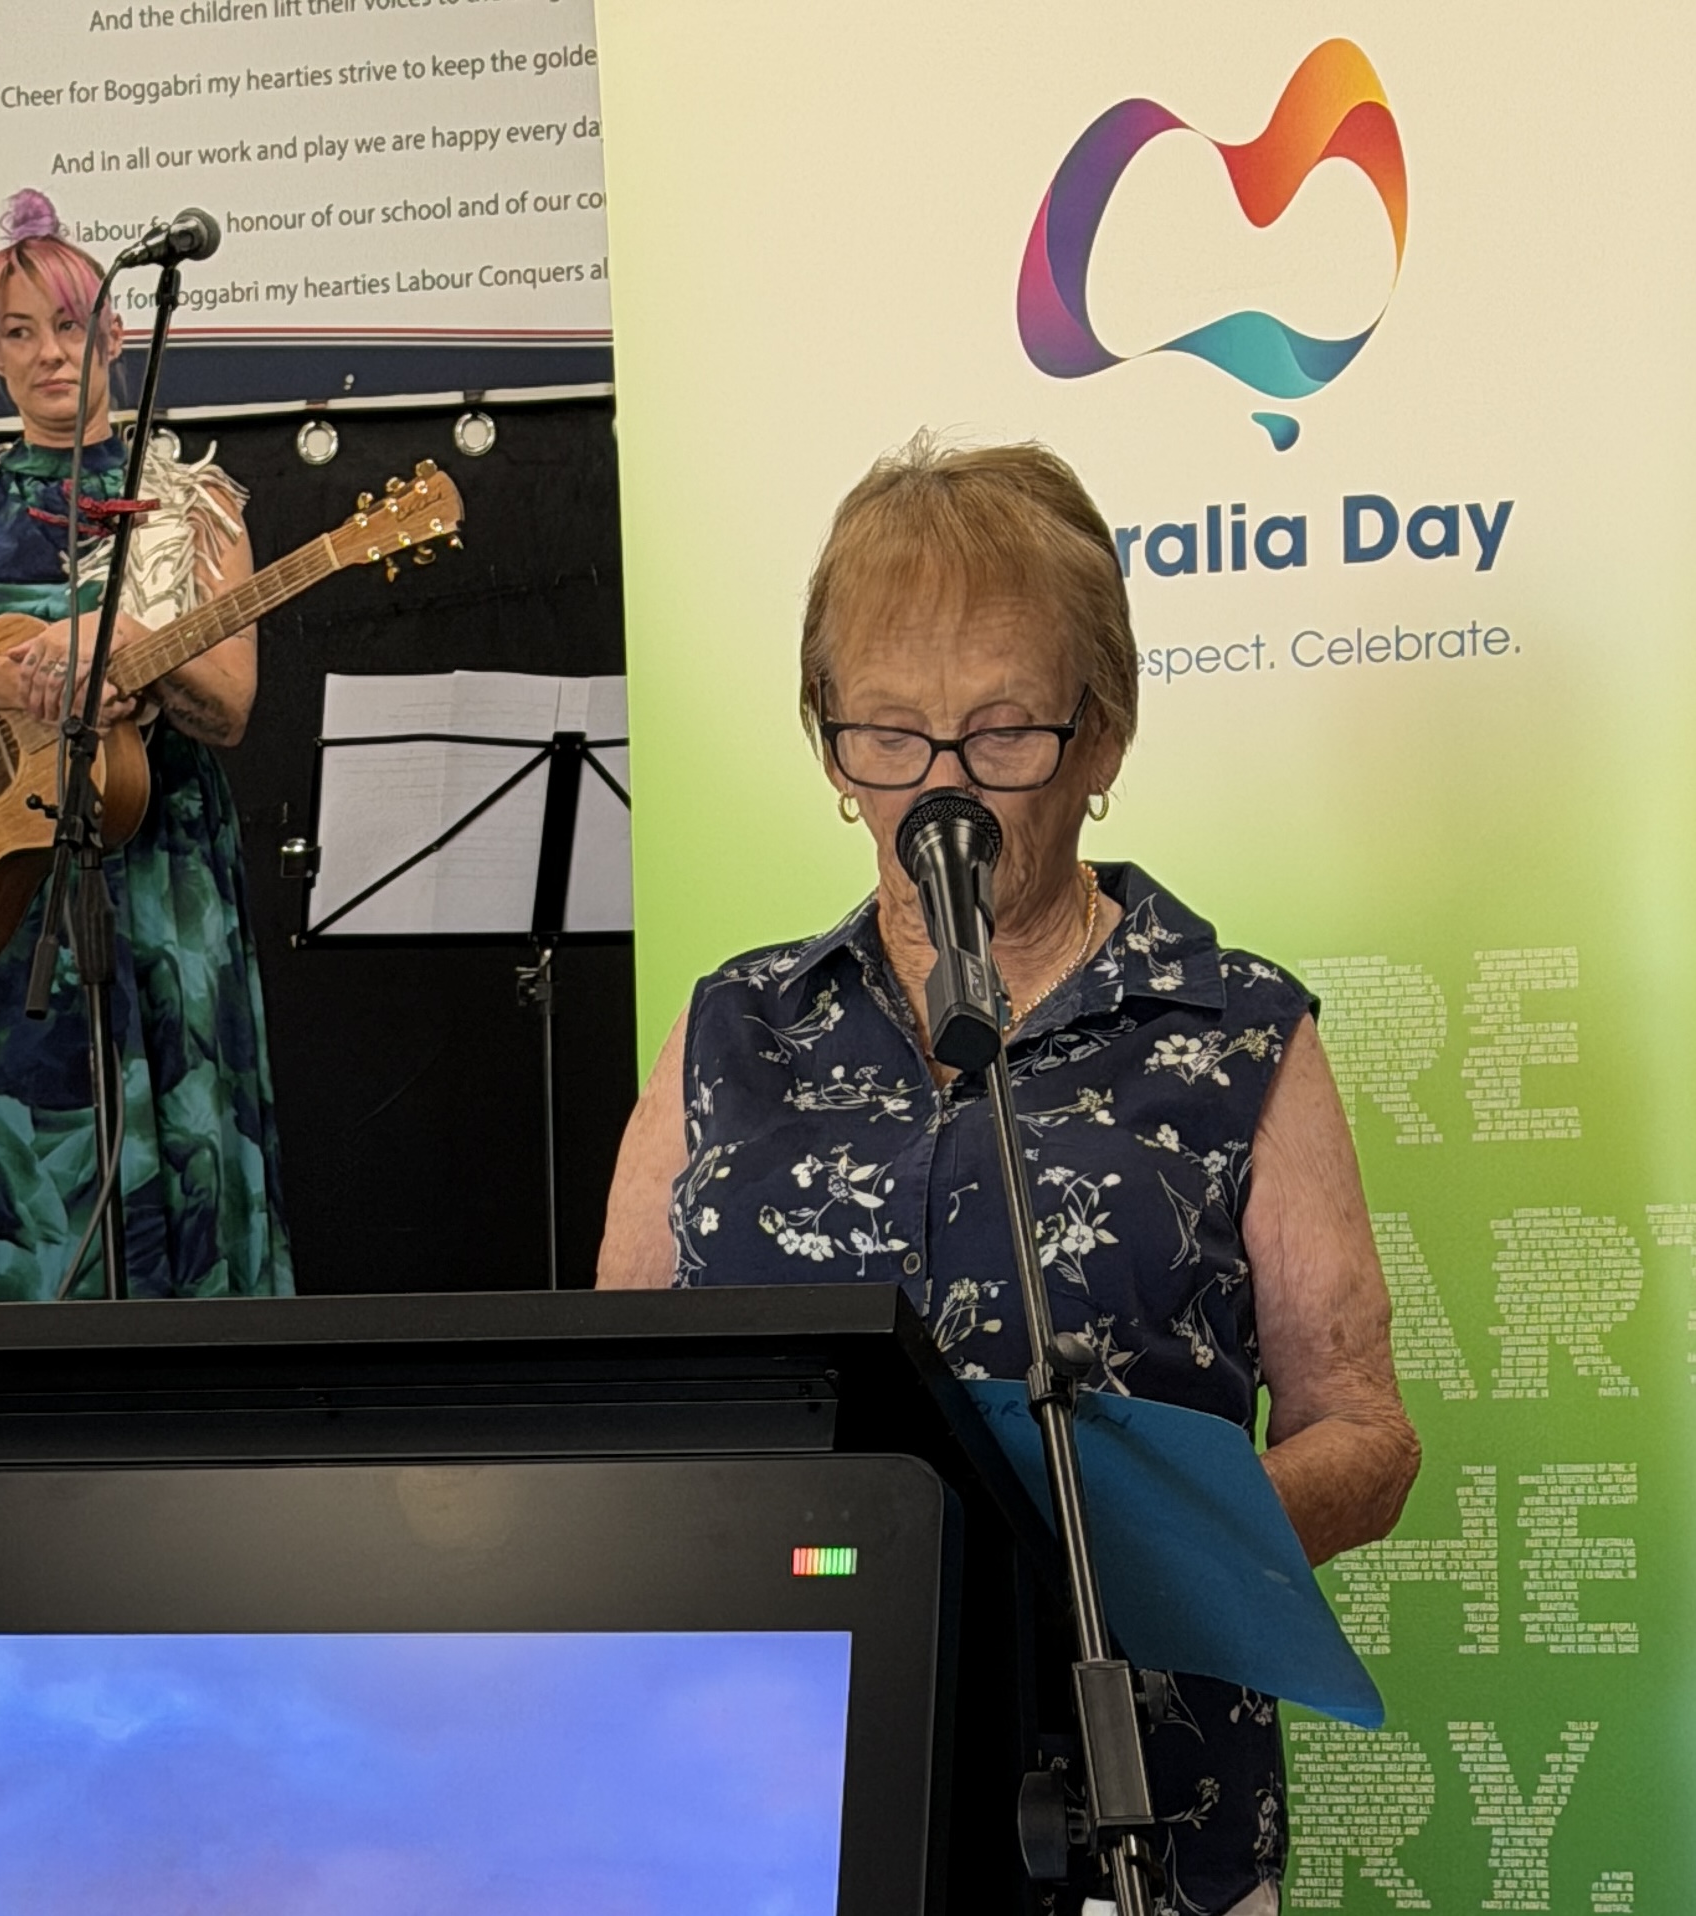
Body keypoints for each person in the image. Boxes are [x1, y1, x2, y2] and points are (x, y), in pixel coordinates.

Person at [597, 435, 1418, 1916]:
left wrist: (1120, 1553)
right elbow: (617, 1399)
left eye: (999, 735)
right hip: (768, 1788)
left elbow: (1363, 1438)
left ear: (1097, 742)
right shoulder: (731, 1024)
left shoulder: (1235, 1031)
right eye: (890, 735)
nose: (940, 792)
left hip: (1138, 1807)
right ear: (831, 740)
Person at [0, 189, 291, 1303]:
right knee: (14, 1160)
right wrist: (15, 678)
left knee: (175, 1133)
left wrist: (135, 647)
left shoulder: (197, 502)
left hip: (158, 874)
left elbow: (228, 708)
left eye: (70, 325)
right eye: (20, 334)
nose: (49, 353)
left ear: (115, 334)